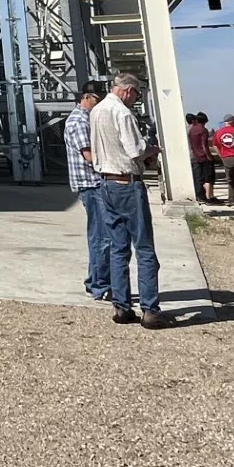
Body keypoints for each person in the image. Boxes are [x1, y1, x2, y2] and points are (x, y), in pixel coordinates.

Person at [89, 74, 168, 328]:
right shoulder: (122, 113)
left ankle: (121, 306)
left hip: (105, 183)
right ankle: (150, 310)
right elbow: (135, 150)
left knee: (118, 247)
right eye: (136, 95)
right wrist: (152, 149)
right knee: (144, 248)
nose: (136, 101)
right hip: (127, 183)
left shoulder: (97, 110)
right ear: (128, 91)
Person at [63, 89, 109, 301]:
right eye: (97, 100)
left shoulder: (85, 118)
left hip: (92, 183)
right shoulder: (80, 121)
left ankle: (96, 281)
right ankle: (100, 284)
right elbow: (89, 156)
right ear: (86, 97)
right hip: (91, 183)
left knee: (100, 234)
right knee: (102, 236)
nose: (99, 104)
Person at [212, 112, 234, 206]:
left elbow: (214, 145)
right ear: (232, 121)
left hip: (226, 158)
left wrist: (221, 155)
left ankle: (232, 200)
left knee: (231, 181)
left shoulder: (218, 132)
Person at [186, 113, 217, 205]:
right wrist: (209, 156)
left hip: (195, 156)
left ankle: (200, 195)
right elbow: (204, 144)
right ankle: (208, 197)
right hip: (203, 156)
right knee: (208, 178)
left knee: (198, 177)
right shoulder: (203, 130)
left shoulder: (191, 130)